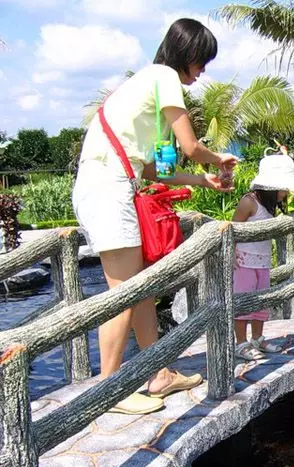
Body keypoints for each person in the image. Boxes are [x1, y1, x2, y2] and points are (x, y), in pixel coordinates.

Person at [72, 18, 239, 415]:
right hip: (107, 186)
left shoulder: (149, 86)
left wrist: (204, 181)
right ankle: (107, 392)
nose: (203, 70)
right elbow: (191, 144)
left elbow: (154, 171)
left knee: (141, 286)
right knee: (122, 296)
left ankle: (158, 372)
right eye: (202, 61)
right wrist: (218, 159)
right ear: (188, 54)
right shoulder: (164, 75)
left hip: (116, 184)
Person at [233, 153, 294, 360]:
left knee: (261, 301)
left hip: (262, 260)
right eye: (283, 188)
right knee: (243, 301)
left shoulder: (269, 205)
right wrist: (231, 255)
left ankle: (257, 338)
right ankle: (241, 343)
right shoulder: (249, 202)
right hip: (243, 261)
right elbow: (232, 229)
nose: (286, 192)